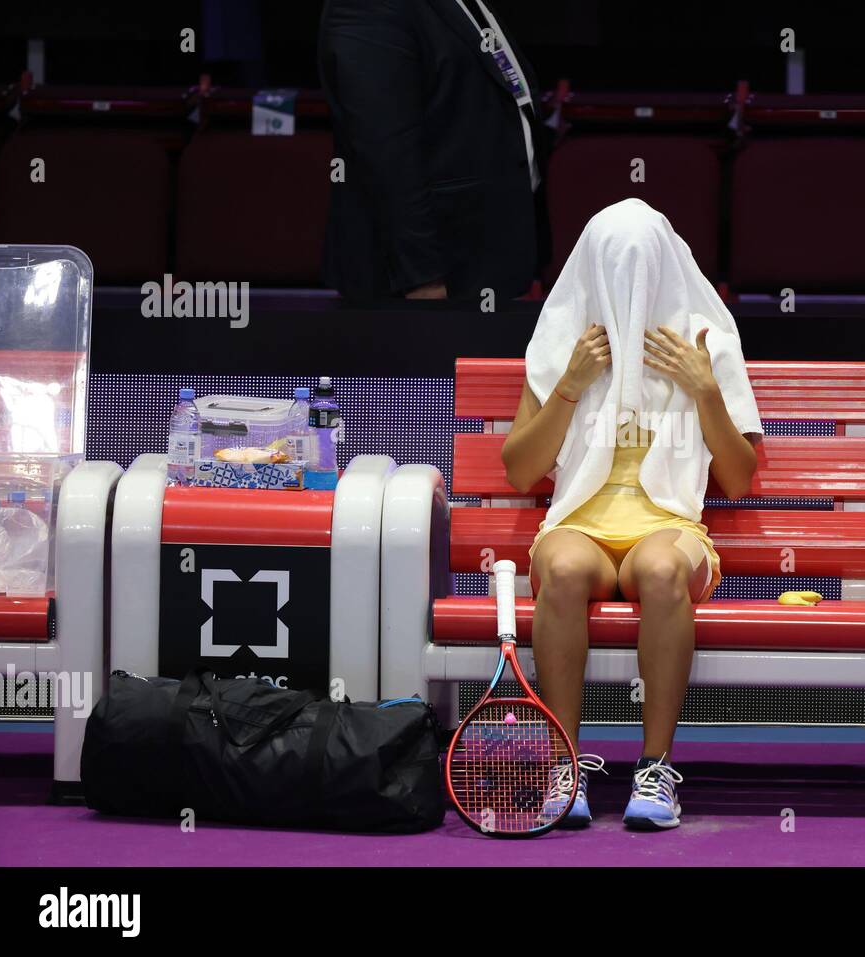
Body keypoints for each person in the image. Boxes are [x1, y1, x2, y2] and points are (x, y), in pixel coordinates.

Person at [501, 199, 763, 830]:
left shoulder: (705, 343)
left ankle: (655, 769)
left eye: (642, 268)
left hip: (667, 523)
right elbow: (518, 468)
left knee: (664, 571)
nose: (629, 288)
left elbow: (738, 477)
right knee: (561, 570)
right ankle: (566, 765)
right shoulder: (564, 342)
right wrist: (569, 385)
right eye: (614, 269)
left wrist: (705, 392)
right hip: (580, 523)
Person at [318, 0, 545, 301]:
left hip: (485, 260)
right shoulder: (369, 6)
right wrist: (422, 279)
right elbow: (387, 157)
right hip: (431, 277)